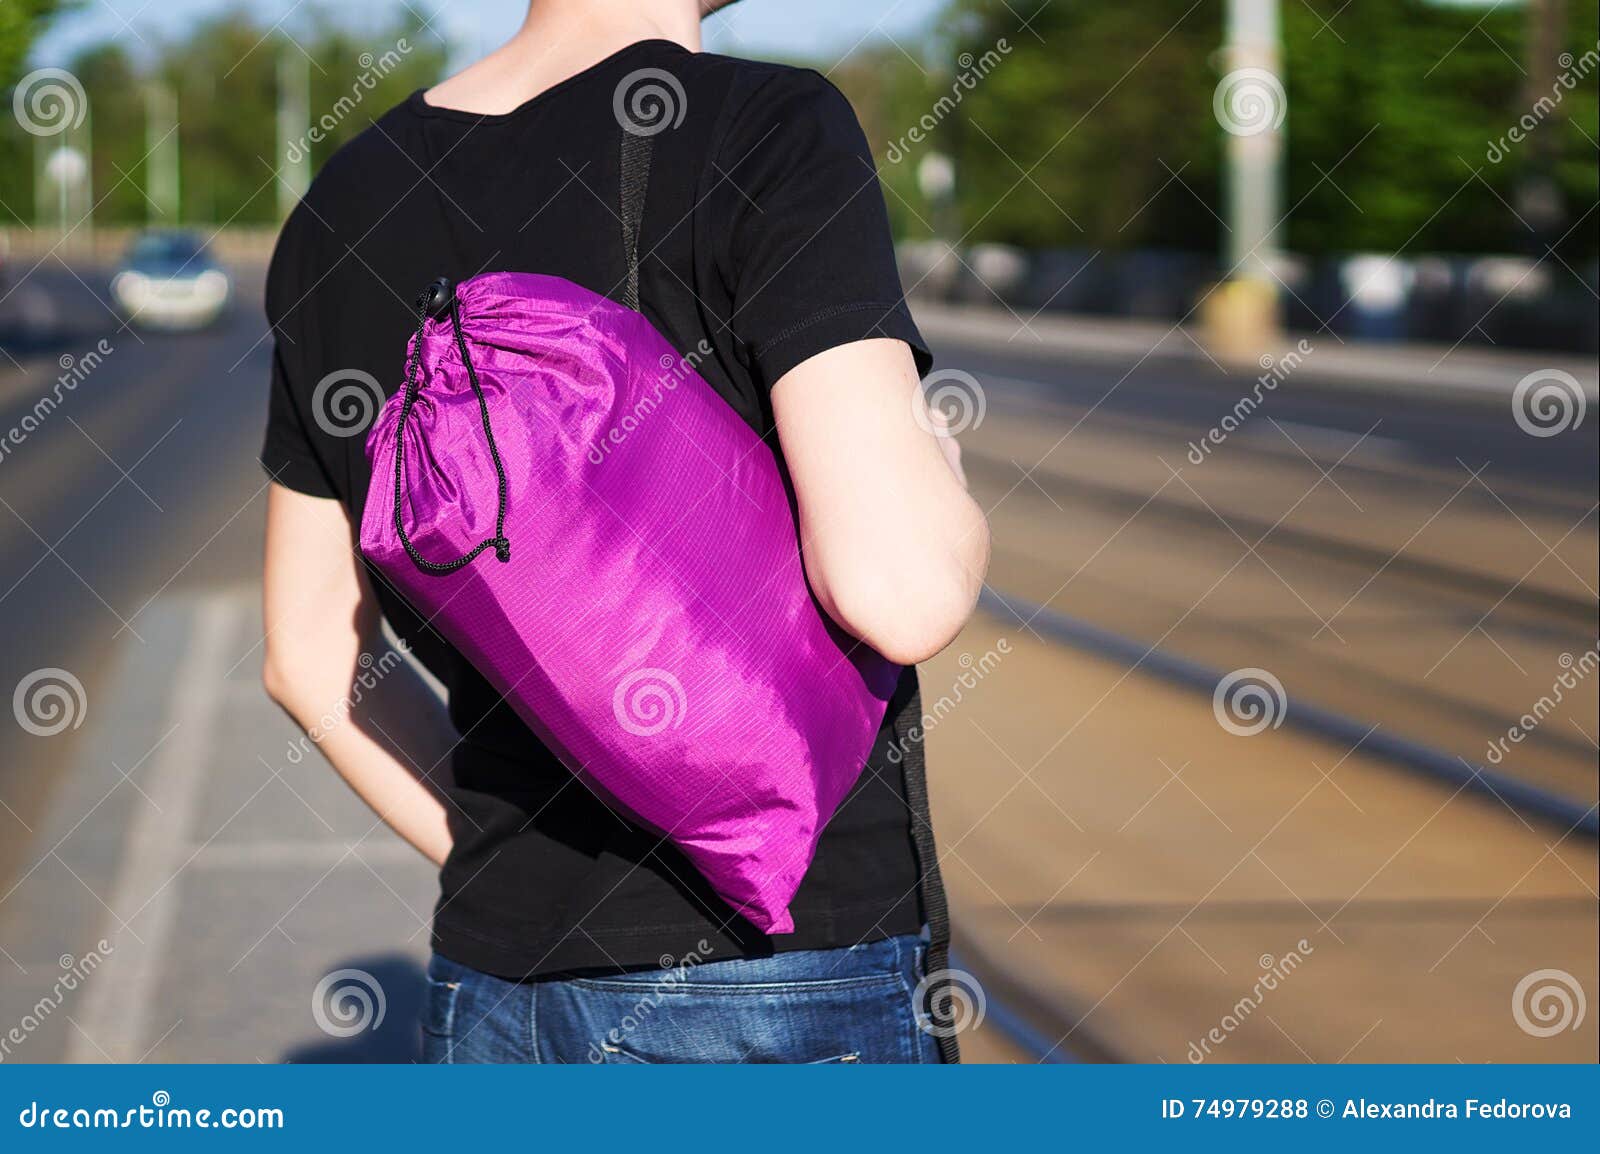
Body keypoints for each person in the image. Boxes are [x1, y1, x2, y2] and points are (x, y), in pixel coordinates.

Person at [259, 0, 990, 1064]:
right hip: (779, 976)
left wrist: (499, 861)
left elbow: (310, 656)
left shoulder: (341, 206)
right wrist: (945, 469)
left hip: (496, 985)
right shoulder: (771, 125)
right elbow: (900, 587)